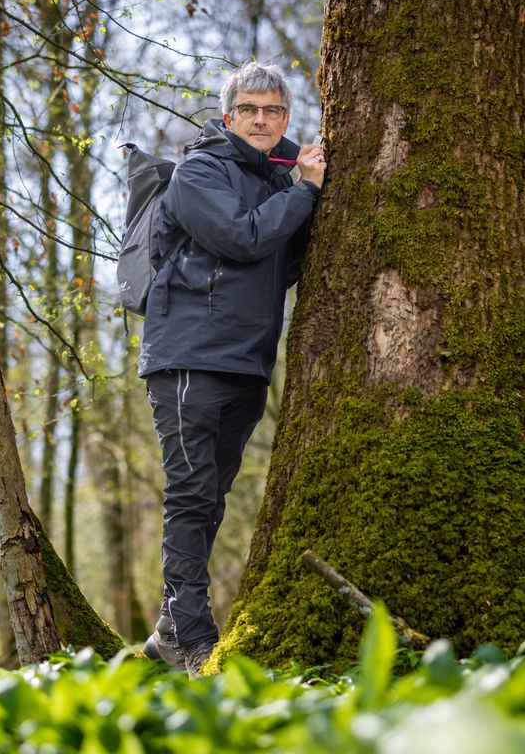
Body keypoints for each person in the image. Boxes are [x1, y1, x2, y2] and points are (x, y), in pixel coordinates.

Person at [138, 62, 326, 675]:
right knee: (192, 495)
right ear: (228, 117)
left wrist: (300, 187)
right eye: (250, 109)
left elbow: (285, 261)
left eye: (274, 110)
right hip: (189, 355)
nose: (263, 120)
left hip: (246, 361)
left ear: (286, 118)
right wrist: (305, 192)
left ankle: (169, 628)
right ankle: (191, 636)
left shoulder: (280, 176)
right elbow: (242, 239)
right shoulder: (199, 172)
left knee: (212, 495)